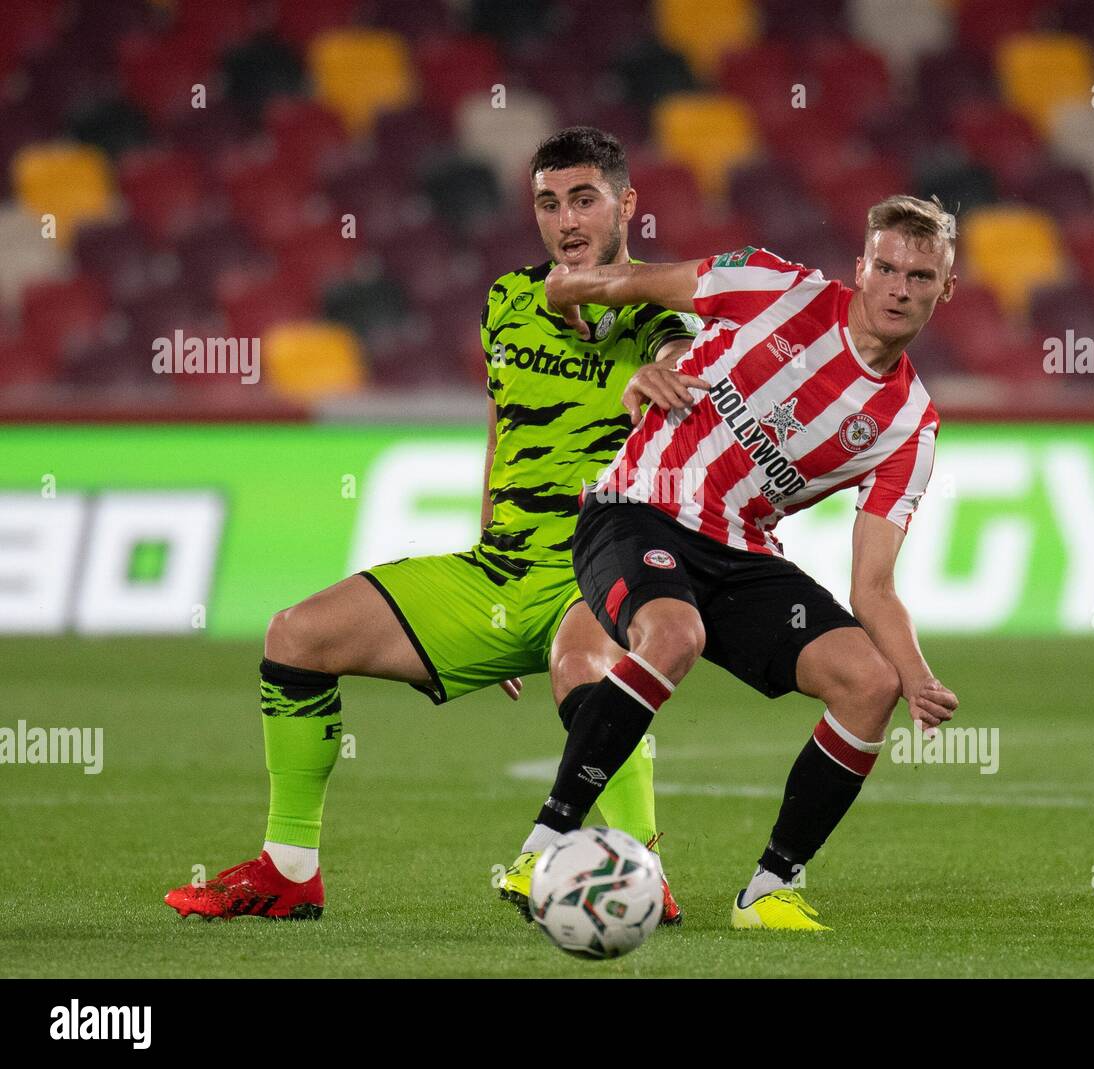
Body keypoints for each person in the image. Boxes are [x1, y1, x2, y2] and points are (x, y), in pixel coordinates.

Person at [164, 127, 697, 923]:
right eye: (548, 203)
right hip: (501, 572)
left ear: (627, 203)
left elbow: (684, 340)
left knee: (585, 666)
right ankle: (289, 869)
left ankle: (641, 870)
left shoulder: (655, 306)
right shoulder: (508, 300)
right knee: (294, 636)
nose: (566, 220)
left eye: (584, 199)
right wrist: (488, 581)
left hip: (598, 571)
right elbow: (501, 432)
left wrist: (674, 363)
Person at [509, 194, 961, 930]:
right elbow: (630, 284)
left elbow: (873, 585)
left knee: (866, 683)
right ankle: (546, 842)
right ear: (861, 268)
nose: (898, 287)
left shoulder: (910, 426)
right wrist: (592, 305)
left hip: (738, 550)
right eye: (885, 267)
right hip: (635, 506)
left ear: (945, 288)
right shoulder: (772, 285)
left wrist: (916, 674)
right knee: (674, 635)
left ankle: (769, 889)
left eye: (919, 275)